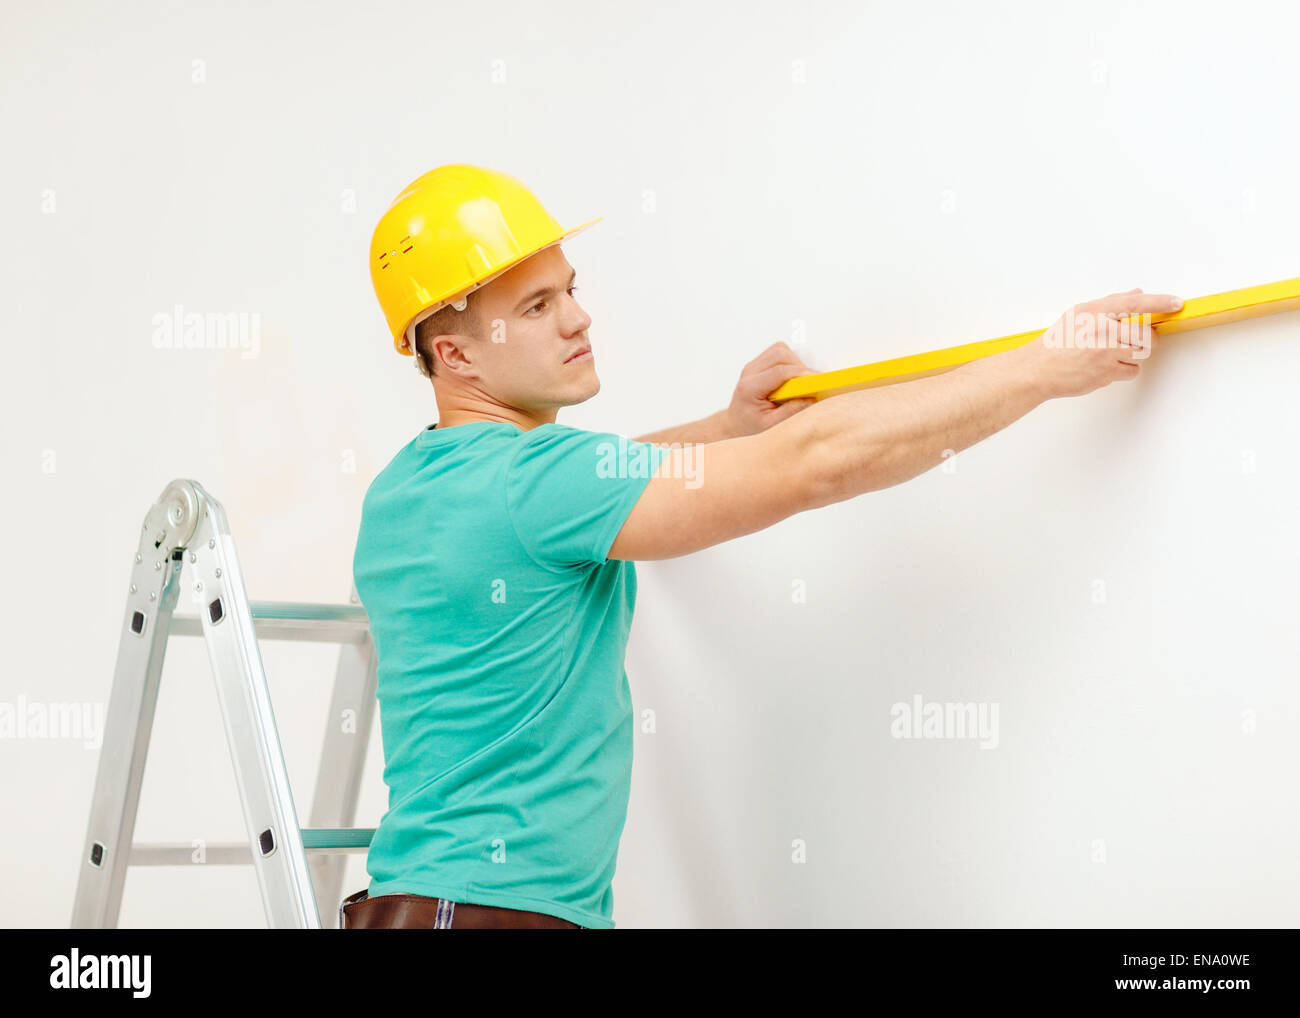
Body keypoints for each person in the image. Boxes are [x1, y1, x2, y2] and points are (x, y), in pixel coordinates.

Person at [344, 163, 1180, 929]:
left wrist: (726, 431)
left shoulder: (408, 489)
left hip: (424, 899)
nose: (578, 317)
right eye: (536, 307)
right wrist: (1042, 367)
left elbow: (591, 491)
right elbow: (813, 464)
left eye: (569, 288)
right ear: (453, 354)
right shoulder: (538, 483)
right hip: (493, 915)